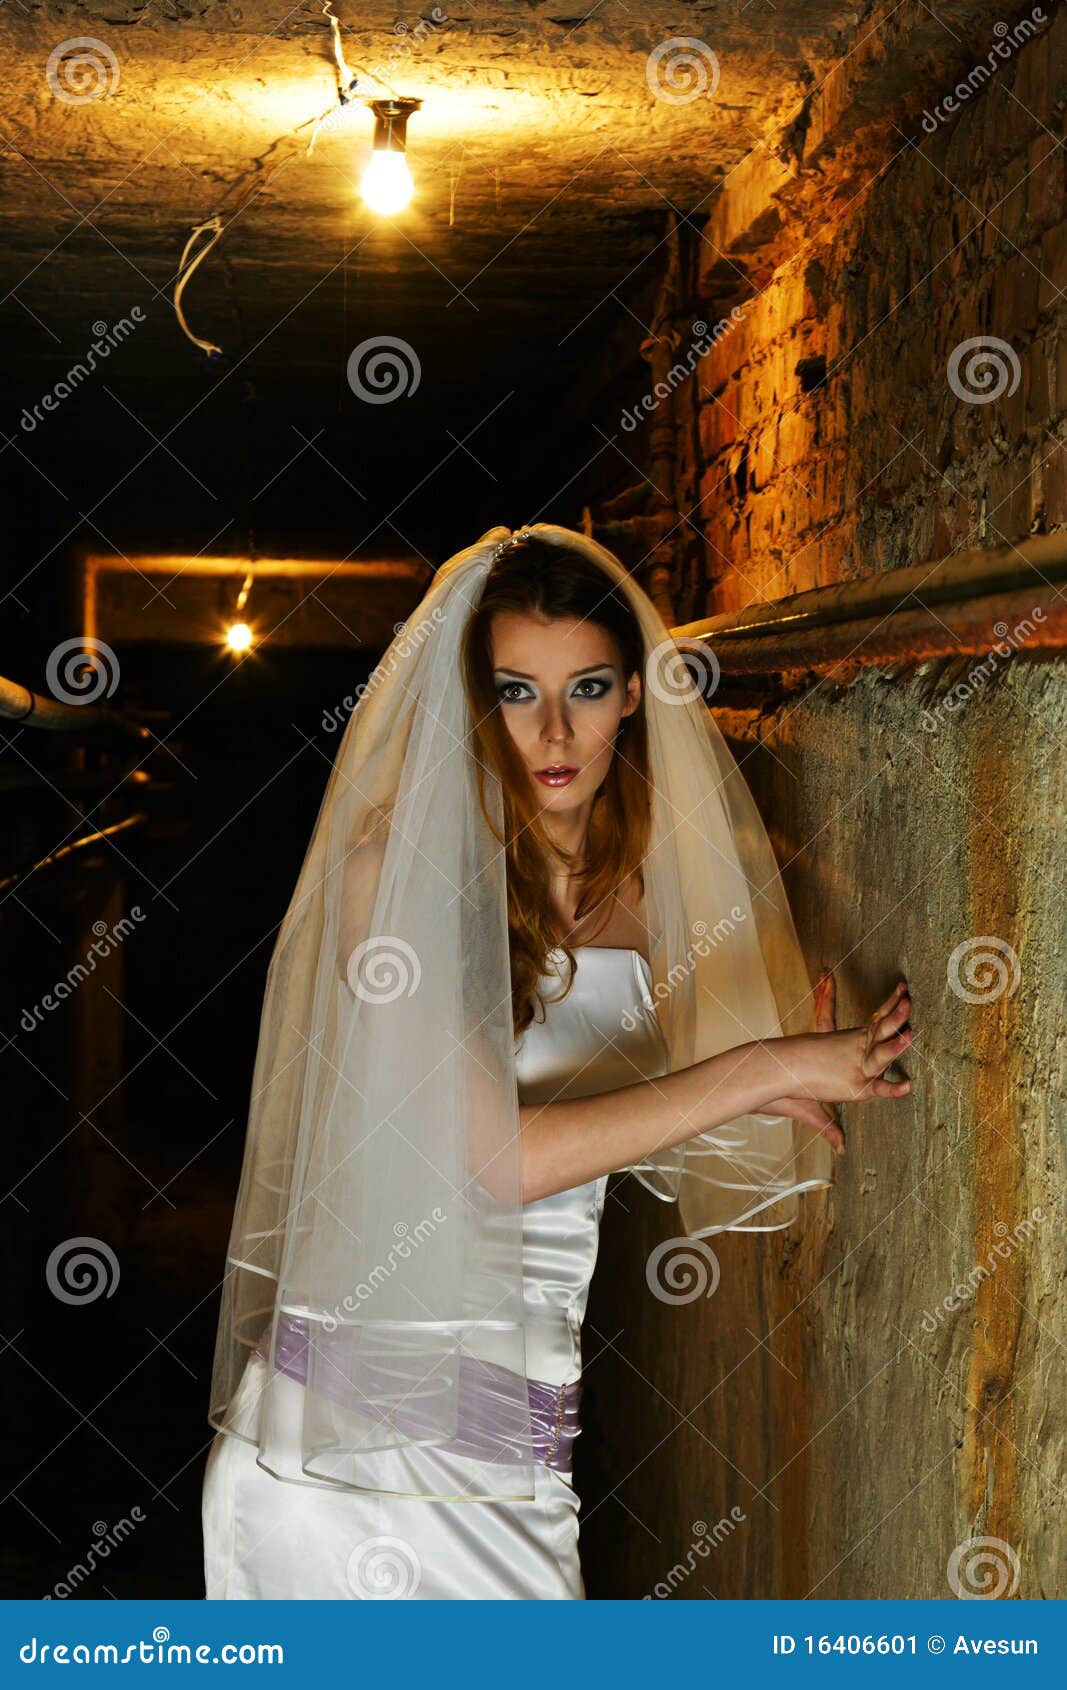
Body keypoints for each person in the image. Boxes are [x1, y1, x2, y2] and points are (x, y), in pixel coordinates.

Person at [201, 523, 913, 1599]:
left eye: (583, 686)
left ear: (632, 691)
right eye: (513, 691)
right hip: (343, 1457)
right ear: (472, 702)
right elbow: (503, 1162)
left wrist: (773, 1085)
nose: (550, 729)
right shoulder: (390, 880)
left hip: (518, 1444)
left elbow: (638, 1127)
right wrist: (768, 1065)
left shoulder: (653, 893)